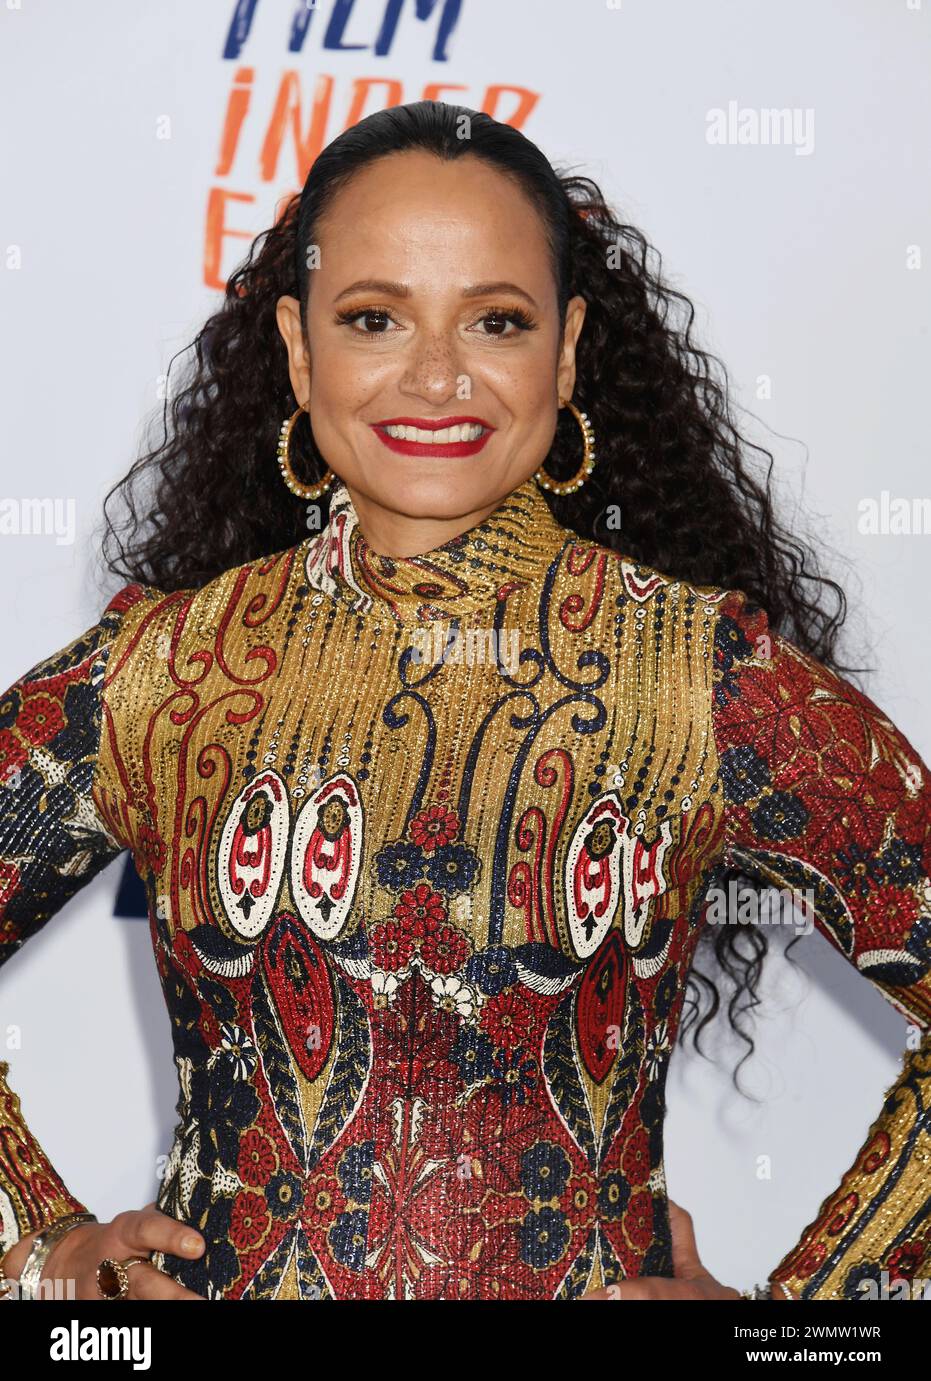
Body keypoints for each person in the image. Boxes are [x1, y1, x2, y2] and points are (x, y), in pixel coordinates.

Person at [0, 100, 928, 1302]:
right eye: (373, 317)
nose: (436, 375)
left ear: (568, 346)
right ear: (297, 347)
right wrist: (40, 1245)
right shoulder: (164, 673)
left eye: (496, 320)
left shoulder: (701, 681)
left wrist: (796, 1326)